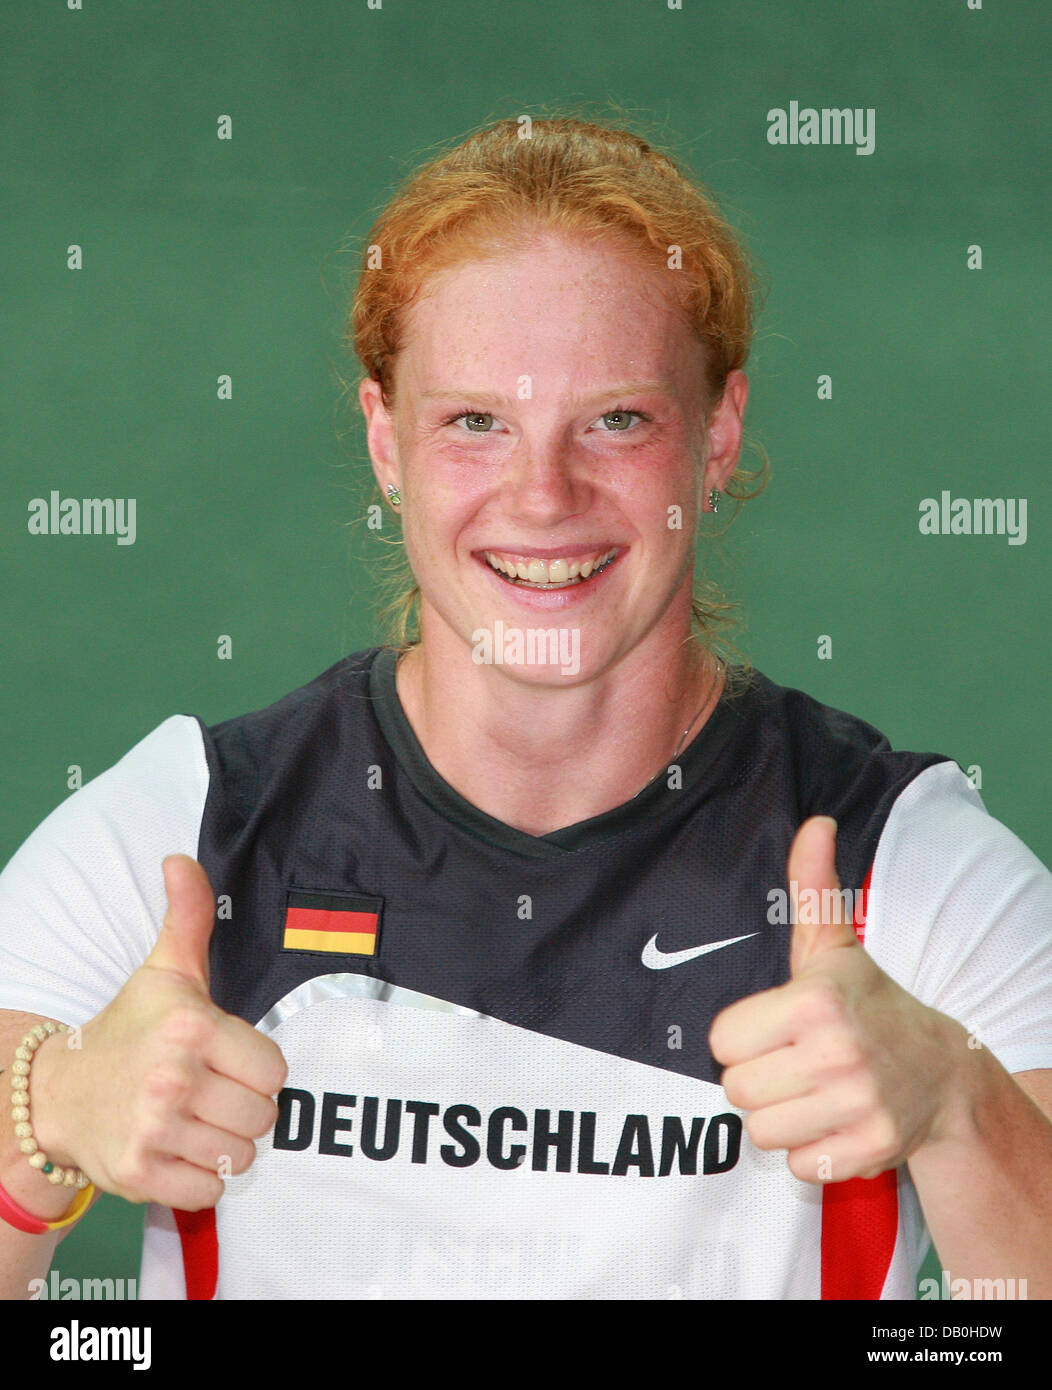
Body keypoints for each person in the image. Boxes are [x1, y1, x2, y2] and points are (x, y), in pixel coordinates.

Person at [1, 116, 1050, 1301]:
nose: (541, 496)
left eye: (616, 419)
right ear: (382, 439)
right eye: (473, 423)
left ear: (717, 434)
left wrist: (957, 1104)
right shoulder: (185, 834)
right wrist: (46, 1118)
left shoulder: (899, 867)